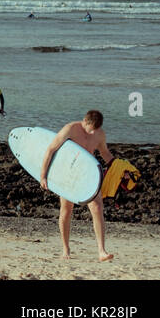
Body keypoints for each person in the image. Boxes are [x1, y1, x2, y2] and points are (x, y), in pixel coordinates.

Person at [41, 111, 114, 262]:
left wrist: (120, 168)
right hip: (68, 173)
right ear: (85, 122)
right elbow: (51, 149)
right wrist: (43, 176)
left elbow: (105, 154)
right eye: (91, 128)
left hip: (88, 173)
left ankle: (102, 251)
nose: (93, 132)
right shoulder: (70, 129)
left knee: (97, 208)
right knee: (67, 210)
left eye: (96, 129)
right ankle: (66, 248)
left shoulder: (100, 134)